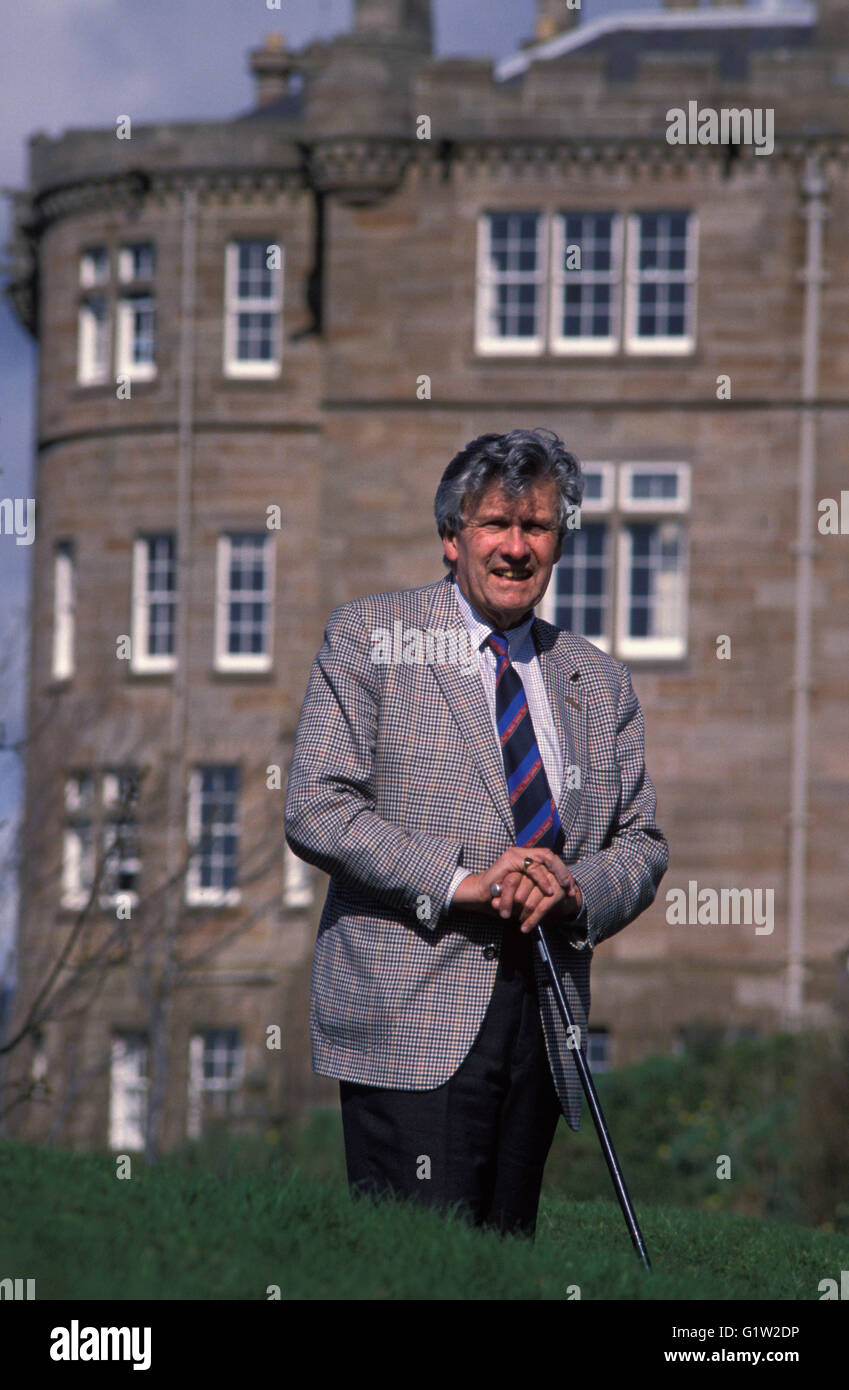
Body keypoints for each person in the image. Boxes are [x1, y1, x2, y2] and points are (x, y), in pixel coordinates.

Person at [284, 427, 668, 1237]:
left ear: (560, 543)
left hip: (543, 1016)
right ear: (451, 535)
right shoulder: (370, 638)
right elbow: (316, 803)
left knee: (505, 1260)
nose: (516, 547)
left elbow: (640, 841)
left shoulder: (597, 681)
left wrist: (574, 889)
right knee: (418, 1265)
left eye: (538, 527)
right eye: (497, 523)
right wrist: (461, 882)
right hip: (408, 1010)